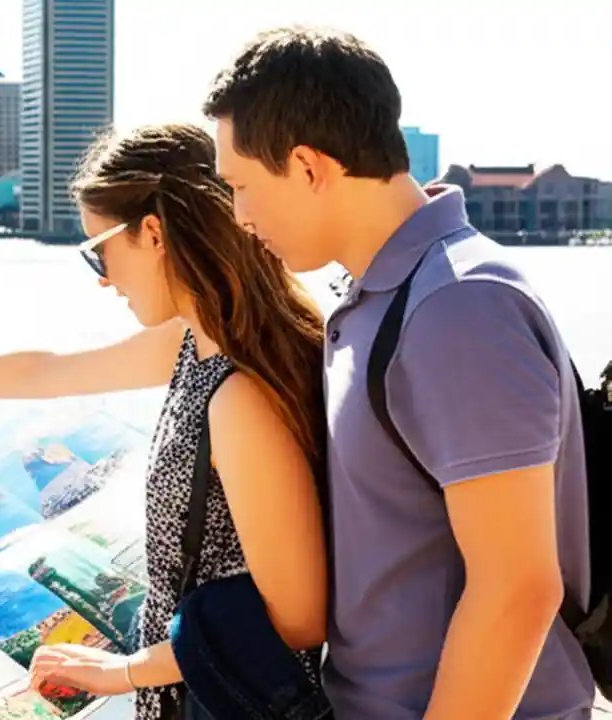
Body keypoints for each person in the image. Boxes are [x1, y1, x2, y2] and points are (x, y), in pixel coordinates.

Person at [0, 123, 331, 719]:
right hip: (191, 691)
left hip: (220, 703)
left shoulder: (240, 396)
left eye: (99, 251)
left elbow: (298, 616)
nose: (104, 279)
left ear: (154, 234)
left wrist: (126, 672)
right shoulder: (198, 343)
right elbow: (44, 373)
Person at [202, 26, 596, 719]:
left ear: (306, 166)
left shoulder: (459, 307)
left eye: (240, 185)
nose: (239, 216)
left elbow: (517, 588)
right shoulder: (383, 297)